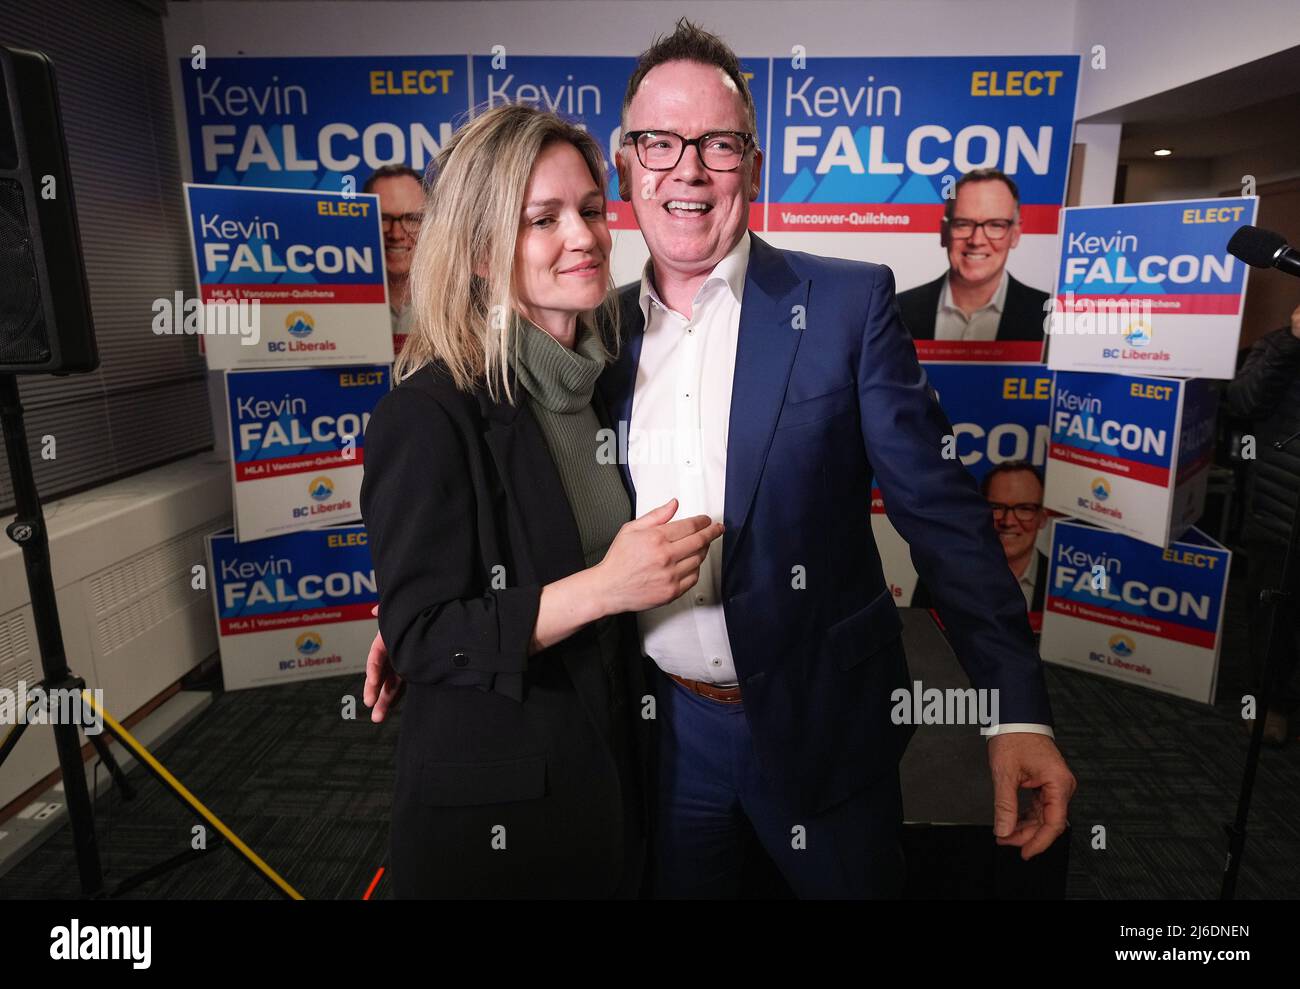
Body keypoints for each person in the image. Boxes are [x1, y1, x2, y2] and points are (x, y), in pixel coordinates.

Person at [367, 18, 1076, 900]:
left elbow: (945, 521)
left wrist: (1015, 707)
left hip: (822, 727)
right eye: (660, 143)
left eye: (718, 144)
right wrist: (428, 617)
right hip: (657, 734)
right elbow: (526, 507)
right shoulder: (596, 334)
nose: (688, 170)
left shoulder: (847, 307)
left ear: (755, 161)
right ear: (629, 166)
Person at [360, 102, 723, 898]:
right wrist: (604, 588)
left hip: (612, 763)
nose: (583, 236)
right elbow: (422, 635)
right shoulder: (427, 413)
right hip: (505, 810)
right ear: (483, 251)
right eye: (543, 219)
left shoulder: (604, 377)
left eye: (591, 209)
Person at [1224, 302, 1300, 747]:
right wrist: (1291, 342)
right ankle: (1268, 704)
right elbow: (1242, 401)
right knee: (1272, 623)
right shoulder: (1277, 345)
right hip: (1280, 515)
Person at [897, 168, 1050, 344]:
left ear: (1015, 234)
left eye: (995, 225)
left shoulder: (1049, 313)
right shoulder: (897, 310)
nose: (976, 240)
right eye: (963, 224)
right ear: (944, 232)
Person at [911, 461, 1049, 620]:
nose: (1008, 521)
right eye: (996, 507)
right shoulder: (939, 574)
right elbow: (918, 640)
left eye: (1025, 509)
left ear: (1042, 519)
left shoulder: (1065, 584)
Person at [363, 164, 424, 344]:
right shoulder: (338, 305)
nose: (396, 234)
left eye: (412, 219)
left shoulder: (463, 306)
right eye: (382, 219)